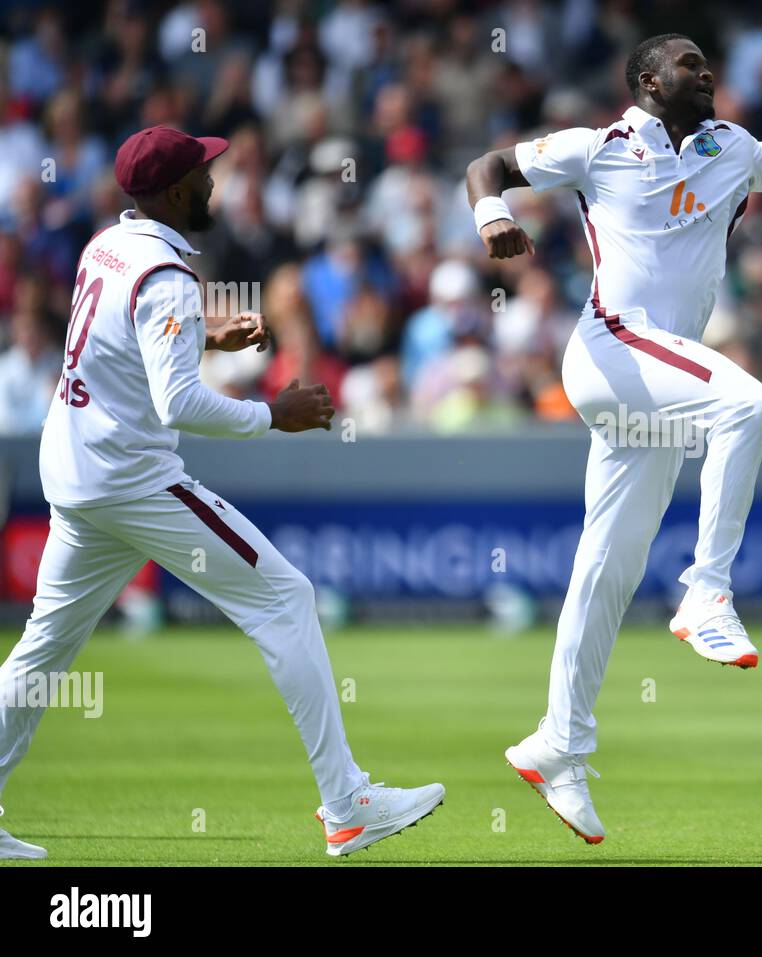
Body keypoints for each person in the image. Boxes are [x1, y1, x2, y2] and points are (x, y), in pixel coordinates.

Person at [0, 126, 443, 860]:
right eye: (203, 173)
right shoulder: (166, 276)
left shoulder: (107, 245)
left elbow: (123, 334)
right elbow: (180, 406)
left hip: (75, 466)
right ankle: (348, 804)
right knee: (286, 596)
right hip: (129, 476)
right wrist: (277, 413)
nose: (214, 181)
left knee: (43, 650)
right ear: (175, 193)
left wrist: (203, 334)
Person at [465, 30, 762, 843]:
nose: (706, 74)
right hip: (609, 349)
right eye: (689, 66)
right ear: (647, 80)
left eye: (708, 66)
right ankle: (707, 591)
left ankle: (557, 743)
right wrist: (491, 212)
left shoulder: (730, 146)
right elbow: (489, 165)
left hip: (656, 387)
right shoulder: (598, 146)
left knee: (606, 567)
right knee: (748, 406)